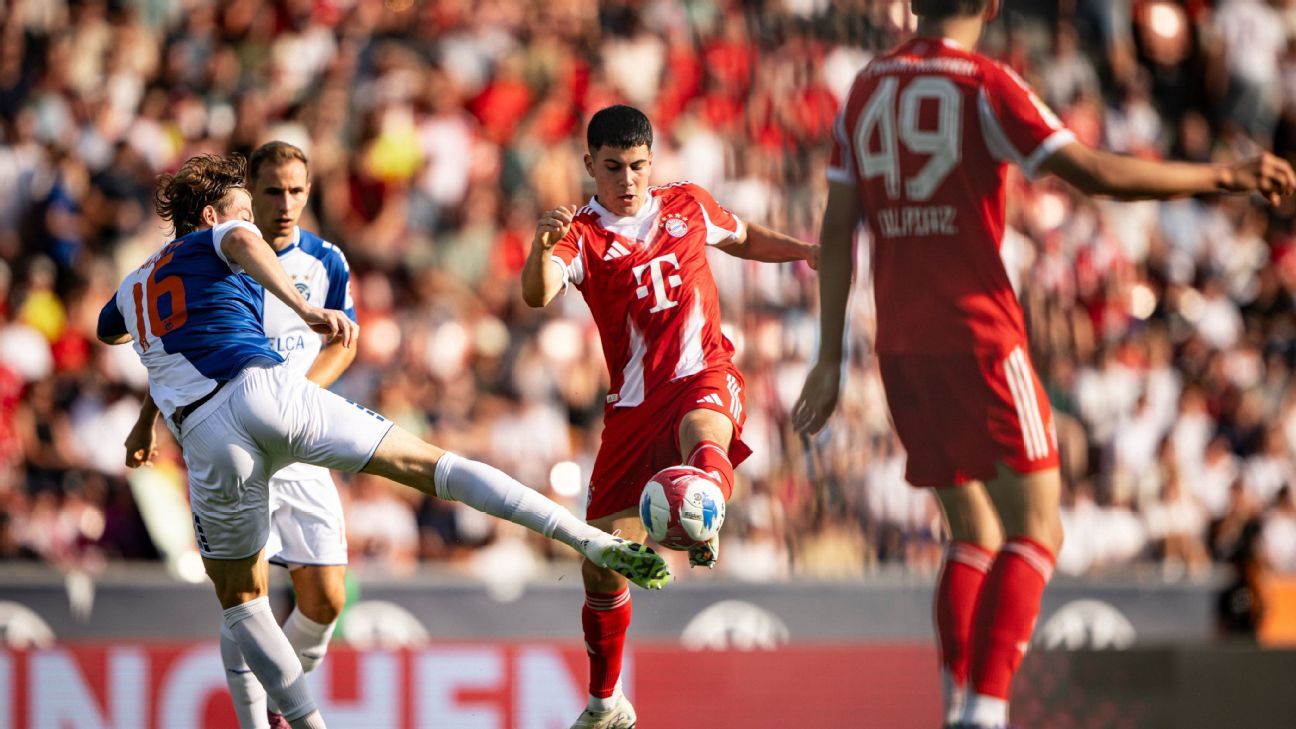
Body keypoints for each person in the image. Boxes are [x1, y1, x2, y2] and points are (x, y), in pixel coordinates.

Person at [791, 2, 1296, 728]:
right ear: (991, 6)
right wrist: (1224, 176)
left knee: (973, 534)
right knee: (1039, 529)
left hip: (901, 343)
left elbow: (837, 229)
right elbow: (1093, 172)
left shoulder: (866, 86)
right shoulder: (984, 83)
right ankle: (986, 709)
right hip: (981, 337)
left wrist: (828, 356)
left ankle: (957, 704)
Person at [98, 153, 670, 729]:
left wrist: (147, 399)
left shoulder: (136, 282)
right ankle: (585, 540)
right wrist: (304, 309)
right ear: (209, 215)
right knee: (430, 465)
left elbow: (119, 329)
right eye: (247, 208)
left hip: (206, 432)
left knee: (243, 603)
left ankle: (306, 724)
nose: (256, 220)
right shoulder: (230, 235)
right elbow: (243, 245)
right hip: (269, 392)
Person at [522, 104, 817, 729]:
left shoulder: (688, 204)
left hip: (701, 374)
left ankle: (702, 511)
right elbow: (537, 291)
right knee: (600, 562)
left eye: (635, 166)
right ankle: (607, 703)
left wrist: (804, 252)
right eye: (611, 168)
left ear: (651, 162)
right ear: (589, 166)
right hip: (631, 410)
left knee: (703, 434)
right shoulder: (580, 233)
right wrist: (539, 247)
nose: (625, 180)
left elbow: (745, 237)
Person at [123, 141, 358, 729]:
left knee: (327, 600)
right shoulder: (207, 255)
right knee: (245, 596)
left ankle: (281, 702)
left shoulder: (326, 260)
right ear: (249, 189)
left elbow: (344, 341)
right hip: (233, 427)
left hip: (295, 429)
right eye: (273, 190)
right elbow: (181, 352)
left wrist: (297, 397)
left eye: (297, 191)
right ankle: (266, 720)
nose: (286, 203)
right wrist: (146, 420)